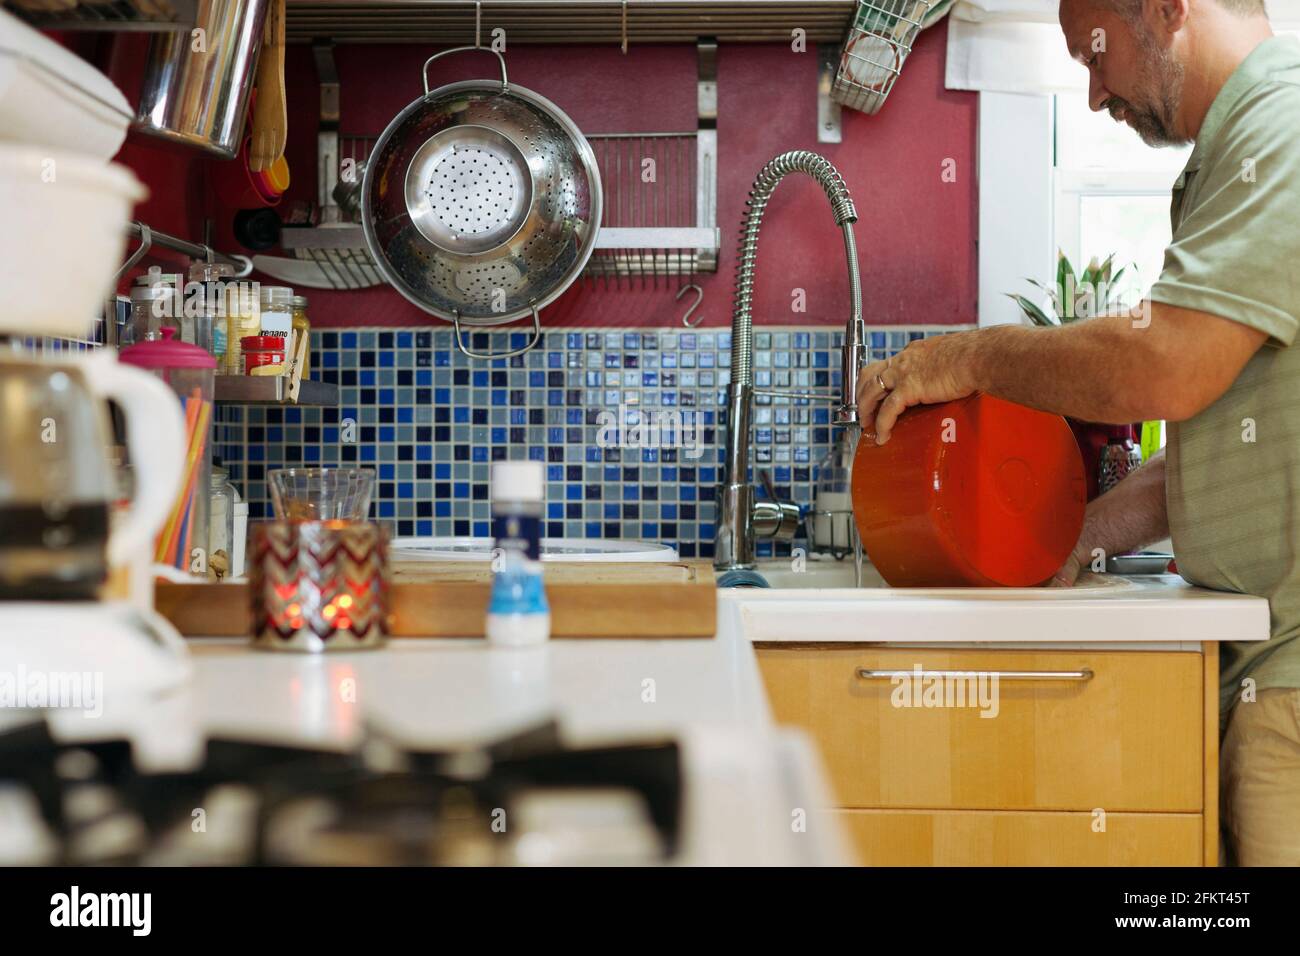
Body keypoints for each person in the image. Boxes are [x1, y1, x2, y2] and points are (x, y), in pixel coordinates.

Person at [855, 0, 1300, 865]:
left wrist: (973, 359)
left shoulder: (1279, 130)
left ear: (1166, 11)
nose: (1093, 96)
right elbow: (1225, 446)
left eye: (1096, 58)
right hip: (1269, 664)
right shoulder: (1234, 153)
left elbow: (1166, 366)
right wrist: (1077, 537)